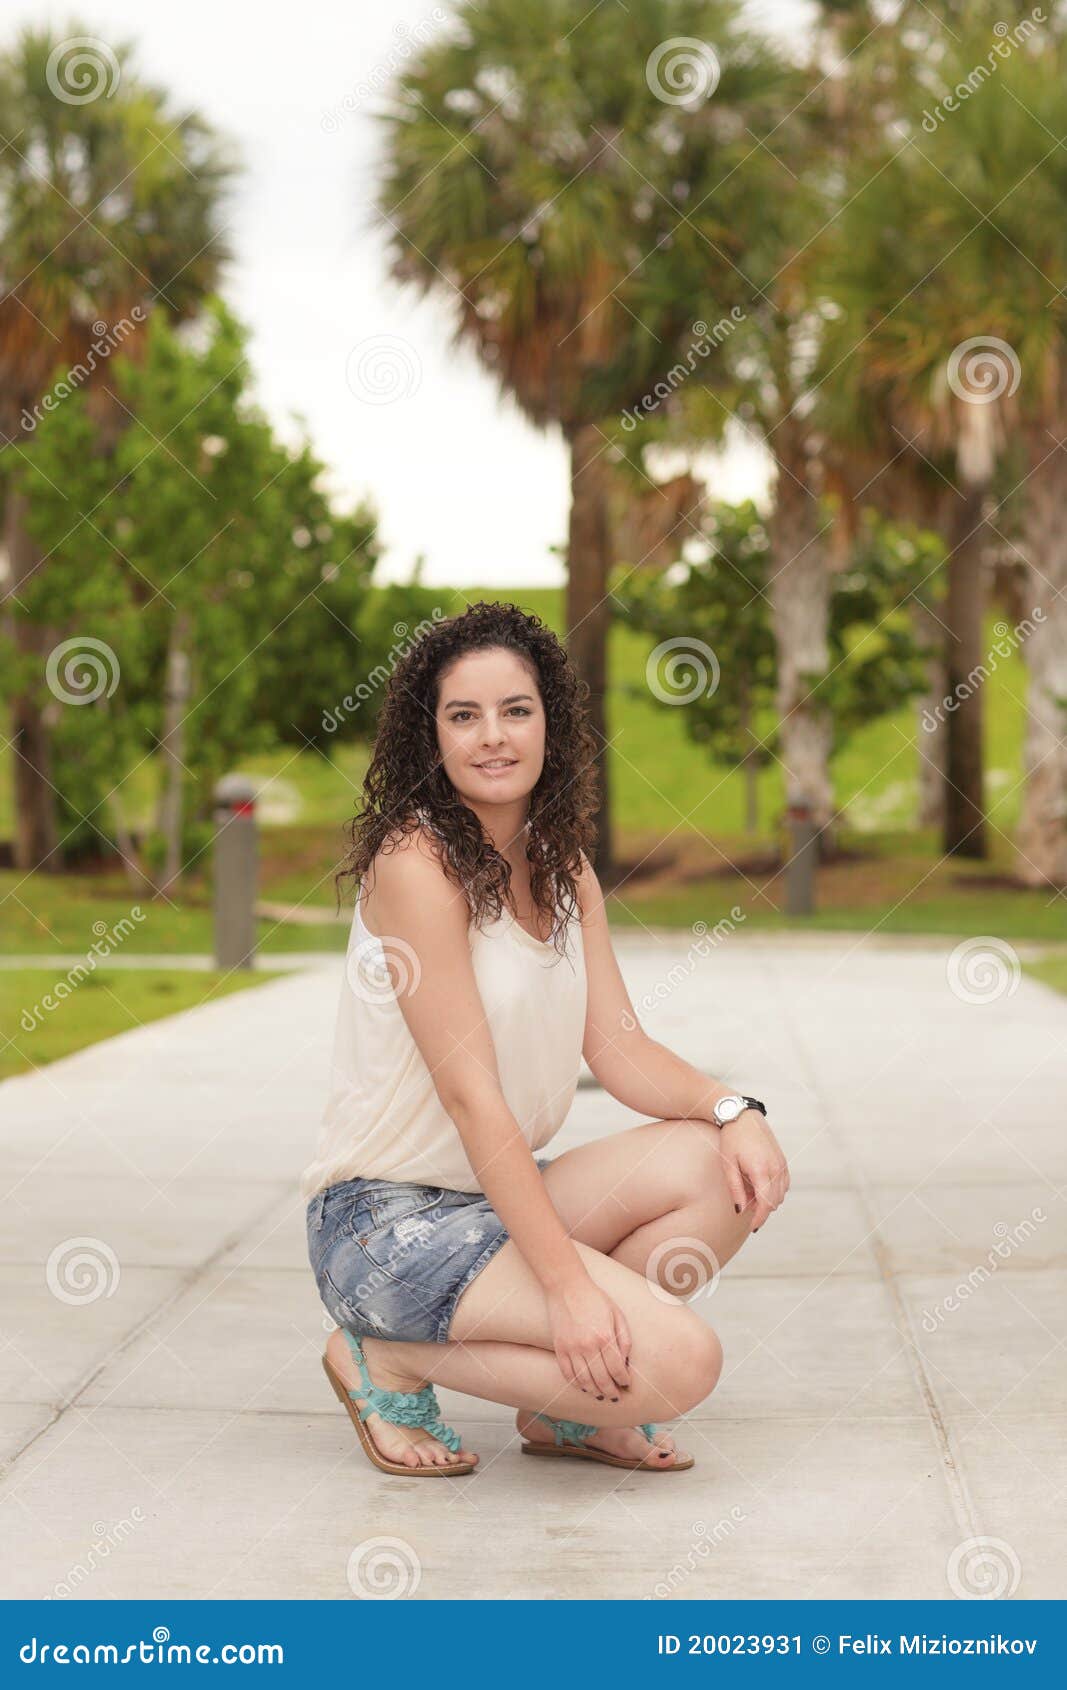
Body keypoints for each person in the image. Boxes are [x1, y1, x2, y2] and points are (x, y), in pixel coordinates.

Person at [301, 600, 789, 1476]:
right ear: (432, 737)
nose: (492, 736)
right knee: (681, 1366)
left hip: (491, 1203)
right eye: (464, 715)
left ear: (549, 725)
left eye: (515, 710)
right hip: (384, 1225)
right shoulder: (414, 866)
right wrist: (565, 1290)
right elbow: (469, 1094)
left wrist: (733, 1108)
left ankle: (569, 1413)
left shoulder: (561, 869)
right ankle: (388, 1357)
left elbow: (621, 1049)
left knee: (714, 1166)